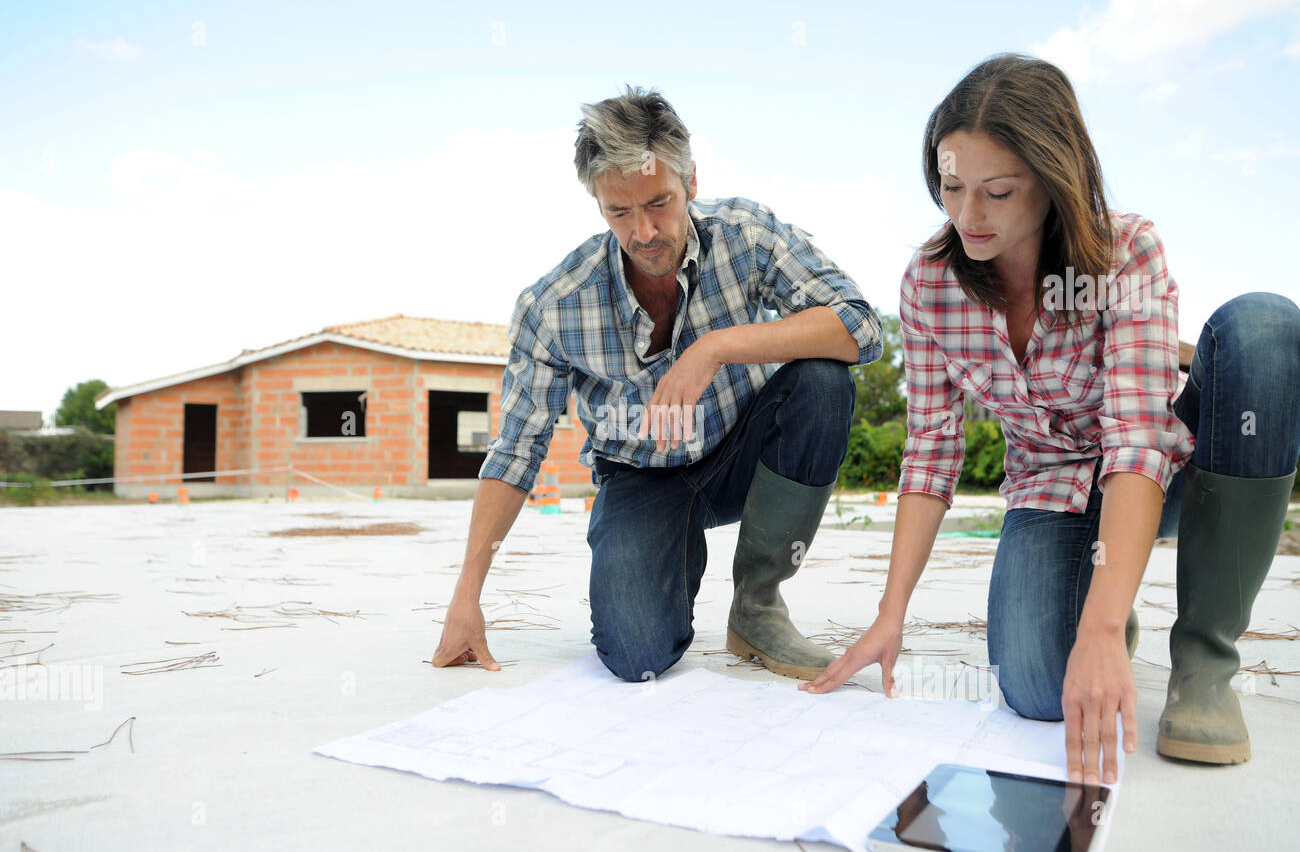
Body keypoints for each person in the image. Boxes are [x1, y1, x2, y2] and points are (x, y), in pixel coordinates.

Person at [802, 54, 1300, 787]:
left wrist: (1096, 628)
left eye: (997, 192)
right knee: (1036, 689)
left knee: (1264, 331)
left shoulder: (1126, 251)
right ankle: (1107, 600)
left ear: (1055, 180)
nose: (968, 217)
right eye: (950, 187)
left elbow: (1136, 441)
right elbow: (932, 449)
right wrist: (890, 613)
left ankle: (1204, 663)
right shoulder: (930, 284)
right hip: (1054, 485)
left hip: (1171, 469)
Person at [432, 86, 883, 683]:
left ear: (691, 181)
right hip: (640, 477)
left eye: (659, 202)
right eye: (620, 212)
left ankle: (757, 605)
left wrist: (716, 347)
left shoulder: (745, 235)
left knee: (823, 382)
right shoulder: (553, 306)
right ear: (597, 204)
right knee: (636, 657)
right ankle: (658, 545)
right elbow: (516, 450)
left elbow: (861, 325)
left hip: (739, 456)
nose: (644, 231)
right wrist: (467, 594)